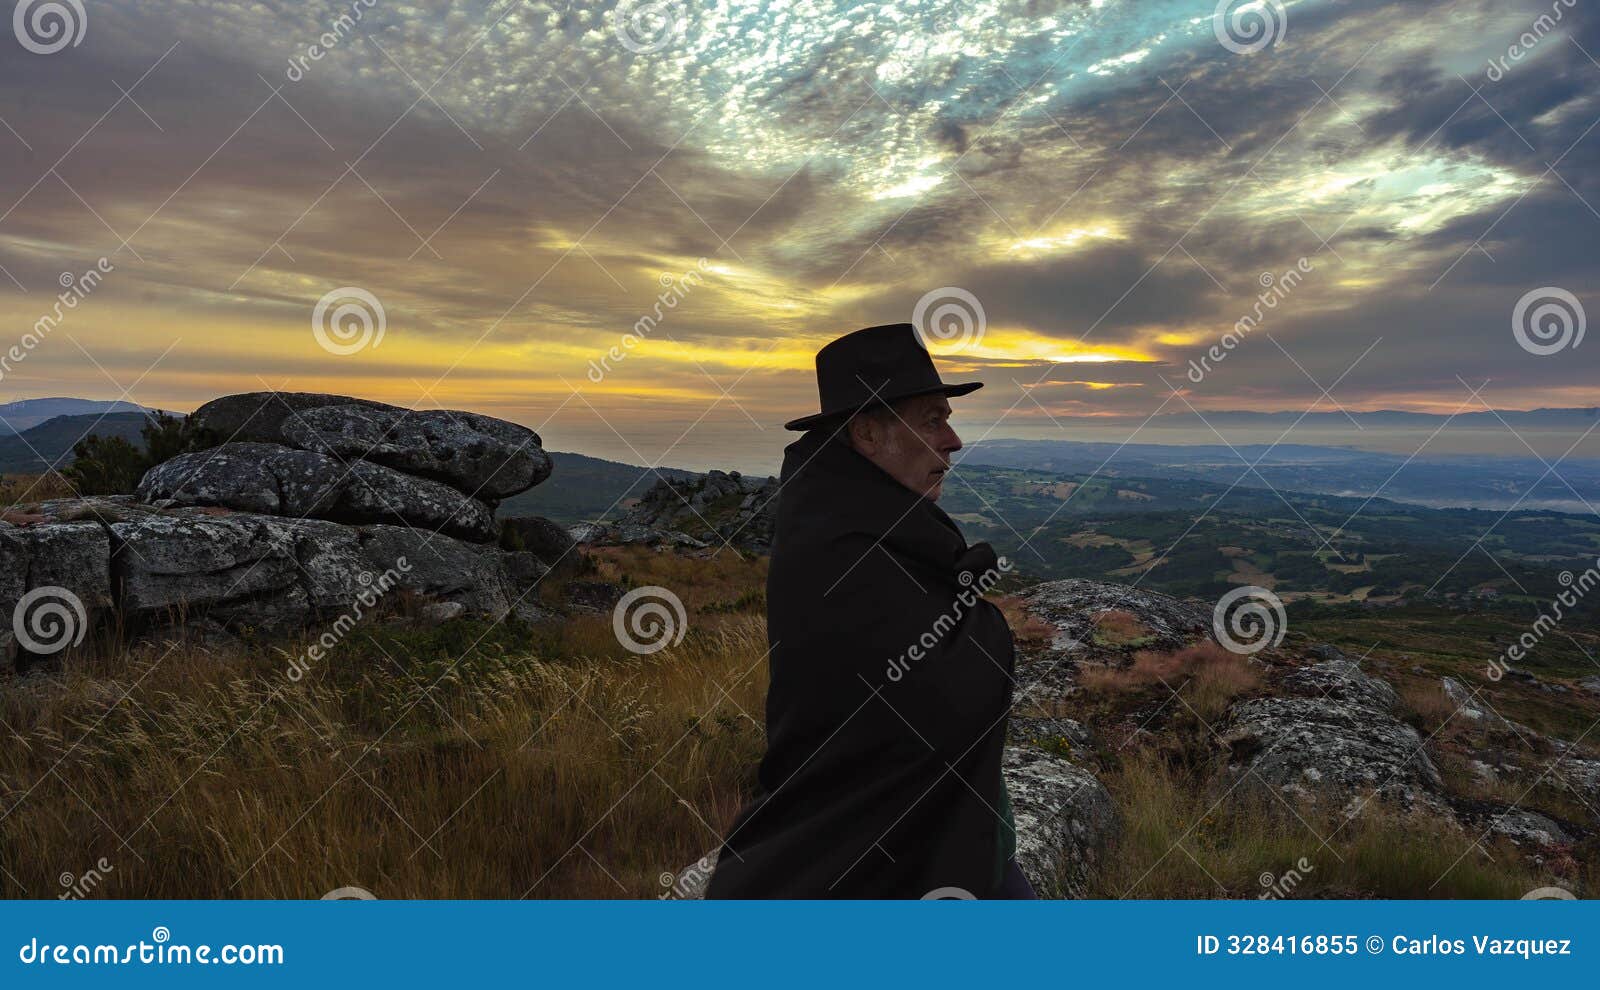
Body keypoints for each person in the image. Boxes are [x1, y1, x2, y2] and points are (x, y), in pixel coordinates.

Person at [704, 322, 1033, 899]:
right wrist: (978, 617)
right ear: (868, 433)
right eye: (933, 420)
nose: (953, 440)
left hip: (956, 838)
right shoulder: (843, 554)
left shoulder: (868, 524)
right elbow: (955, 691)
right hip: (889, 864)